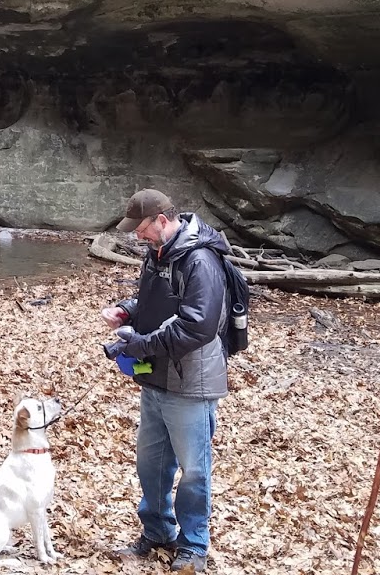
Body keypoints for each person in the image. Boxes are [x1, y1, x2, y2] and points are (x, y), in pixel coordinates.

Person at [101, 189, 232, 574]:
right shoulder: (158, 252)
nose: (137, 235)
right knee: (152, 462)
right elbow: (155, 303)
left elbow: (197, 326)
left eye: (141, 227)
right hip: (157, 377)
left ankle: (194, 547)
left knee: (194, 470)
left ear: (162, 220)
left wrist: (140, 345)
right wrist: (126, 310)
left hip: (192, 382)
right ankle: (157, 531)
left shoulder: (201, 260)